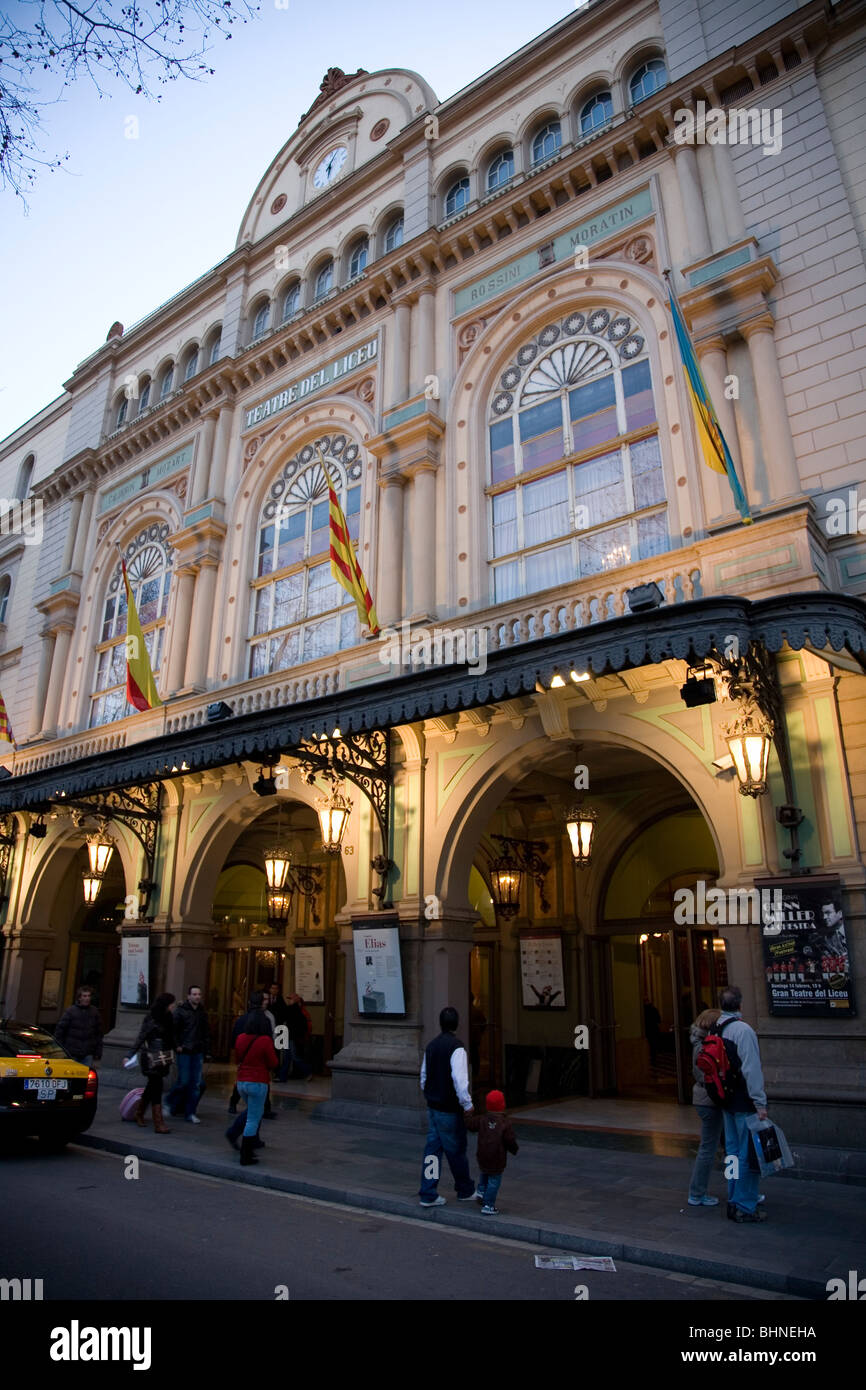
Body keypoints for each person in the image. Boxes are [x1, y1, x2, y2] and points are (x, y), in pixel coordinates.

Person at [716, 985, 769, 1223]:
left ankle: (732, 1196)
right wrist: (760, 1102)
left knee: (733, 1154)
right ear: (739, 1005)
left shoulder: (715, 1030)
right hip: (744, 1101)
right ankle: (745, 1204)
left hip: (726, 1100)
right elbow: (751, 1069)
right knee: (748, 1155)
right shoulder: (743, 1031)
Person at [418, 1006, 476, 1207]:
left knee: (433, 1150)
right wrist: (467, 1104)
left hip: (433, 1106)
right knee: (456, 1150)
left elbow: (423, 1076)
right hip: (449, 1109)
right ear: (457, 1024)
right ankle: (465, 1189)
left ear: (440, 1023)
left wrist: (429, 1094)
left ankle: (428, 1192)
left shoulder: (432, 1046)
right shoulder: (457, 1047)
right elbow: (460, 1079)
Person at [232, 1006, 279, 1167]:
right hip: (258, 1081)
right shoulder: (265, 1040)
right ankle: (246, 1154)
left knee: (251, 1112)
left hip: (241, 1082)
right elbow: (273, 1062)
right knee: (253, 1118)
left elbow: (238, 1057)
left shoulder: (240, 1038)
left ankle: (241, 1143)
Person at [687, 1007, 724, 1207]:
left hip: (706, 1099)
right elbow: (705, 1074)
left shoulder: (700, 1043)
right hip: (710, 1100)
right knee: (709, 1148)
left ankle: (740, 1188)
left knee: (729, 1147)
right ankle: (697, 1193)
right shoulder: (704, 1046)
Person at [465, 1089, 518, 1214]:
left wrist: (467, 1114)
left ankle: (481, 1191)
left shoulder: (482, 1119)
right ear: (502, 1105)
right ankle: (488, 1205)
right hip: (497, 1158)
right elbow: (510, 1140)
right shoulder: (505, 1123)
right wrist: (514, 1149)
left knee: (484, 1173)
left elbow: (470, 1125)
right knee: (494, 1180)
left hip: (482, 1156)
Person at [129, 993, 176, 1133]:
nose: (173, 1006)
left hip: (163, 1057)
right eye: (171, 1003)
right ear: (166, 1004)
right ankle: (158, 1122)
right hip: (151, 1058)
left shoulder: (169, 1017)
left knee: (152, 1086)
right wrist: (129, 1054)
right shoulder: (151, 1018)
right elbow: (141, 1037)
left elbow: (172, 1037)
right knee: (157, 1087)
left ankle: (139, 1113)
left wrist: (177, 1047)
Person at [166, 985, 210, 1123]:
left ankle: (190, 1112)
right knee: (184, 1081)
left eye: (199, 994)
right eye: (194, 994)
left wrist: (206, 1049)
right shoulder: (180, 1011)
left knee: (196, 1084)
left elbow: (206, 1032)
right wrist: (177, 1045)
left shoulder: (202, 1012)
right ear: (188, 996)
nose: (197, 996)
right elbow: (173, 1030)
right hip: (184, 1051)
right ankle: (169, 1101)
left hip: (197, 1051)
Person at [54, 985, 103, 1066]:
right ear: (79, 998)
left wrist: (97, 1055)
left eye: (89, 996)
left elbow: (98, 1035)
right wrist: (60, 1051)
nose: (87, 998)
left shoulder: (94, 1012)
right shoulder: (71, 1011)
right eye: (84, 996)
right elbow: (60, 1032)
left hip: (88, 1053)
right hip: (72, 1052)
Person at [279, 992, 313, 1082]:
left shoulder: (291, 1010)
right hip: (292, 1037)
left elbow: (283, 1018)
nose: (289, 1000)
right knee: (289, 1057)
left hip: (291, 1037)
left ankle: (307, 1071)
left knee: (292, 1057)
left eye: (290, 999)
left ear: (294, 1000)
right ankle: (282, 1076)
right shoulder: (299, 1011)